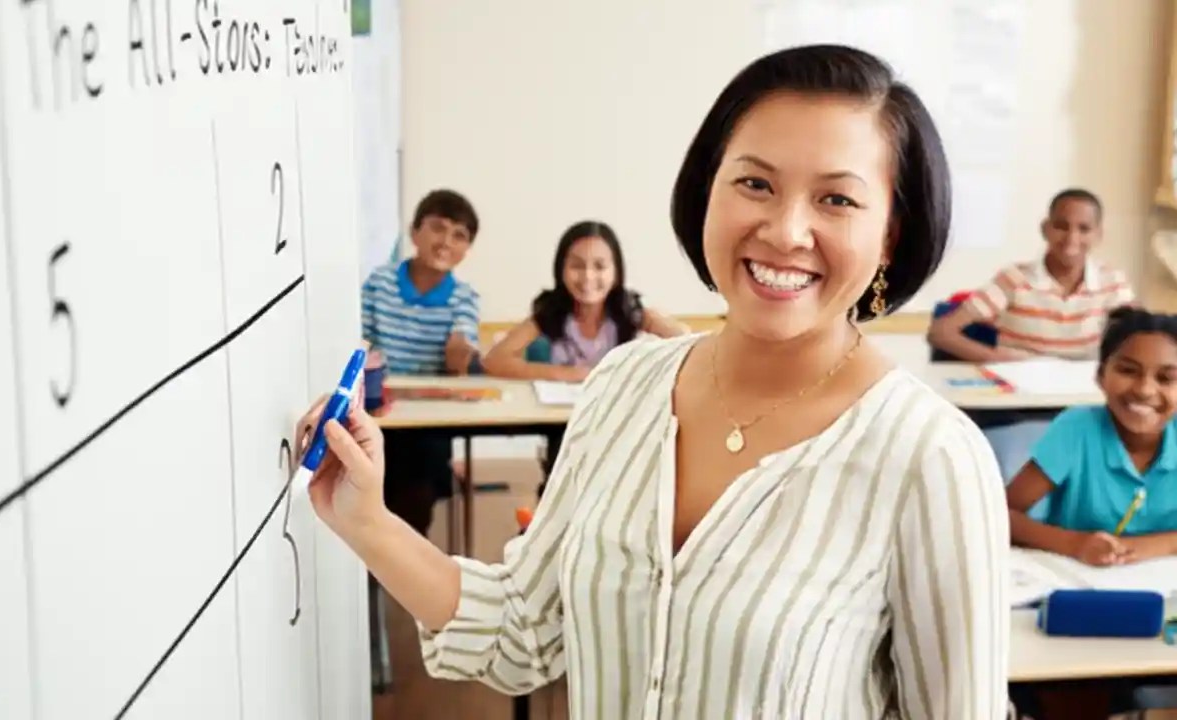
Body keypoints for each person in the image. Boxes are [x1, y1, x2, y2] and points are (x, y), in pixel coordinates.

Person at [298, 45, 1009, 719]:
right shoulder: (624, 385)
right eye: (755, 183)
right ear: (708, 190)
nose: (787, 230)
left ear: (891, 233)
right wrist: (366, 519)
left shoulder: (930, 456)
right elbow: (522, 630)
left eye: (837, 201)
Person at [927, 189, 1136, 485]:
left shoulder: (1112, 282)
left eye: (1084, 228)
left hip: (1083, 403)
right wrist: (997, 358)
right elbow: (942, 331)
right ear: (1045, 229)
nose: (1072, 238)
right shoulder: (1015, 279)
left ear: (1098, 234)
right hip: (1018, 407)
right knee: (1016, 470)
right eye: (1062, 225)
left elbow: (1135, 337)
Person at [482, 220, 689, 488]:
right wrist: (569, 374)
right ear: (562, 269)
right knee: (566, 480)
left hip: (620, 424)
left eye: (600, 266)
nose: (588, 277)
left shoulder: (629, 311)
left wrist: (644, 338)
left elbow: (684, 338)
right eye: (577, 266)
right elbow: (495, 359)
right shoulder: (551, 311)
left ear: (616, 272)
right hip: (568, 426)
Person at [1007, 307, 1177, 566]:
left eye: (1166, 378)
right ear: (1100, 376)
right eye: (1128, 371)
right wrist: (1076, 544)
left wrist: (1141, 547)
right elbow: (999, 516)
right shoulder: (1076, 428)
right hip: (1077, 582)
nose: (1144, 390)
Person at [360, 188, 481, 536]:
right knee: (374, 472)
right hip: (380, 410)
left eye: (459, 236)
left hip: (428, 420)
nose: (446, 241)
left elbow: (462, 345)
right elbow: (360, 340)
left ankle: (399, 559)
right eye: (438, 228)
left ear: (466, 250)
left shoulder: (463, 297)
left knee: (415, 483)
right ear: (415, 232)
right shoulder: (380, 283)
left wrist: (461, 354)